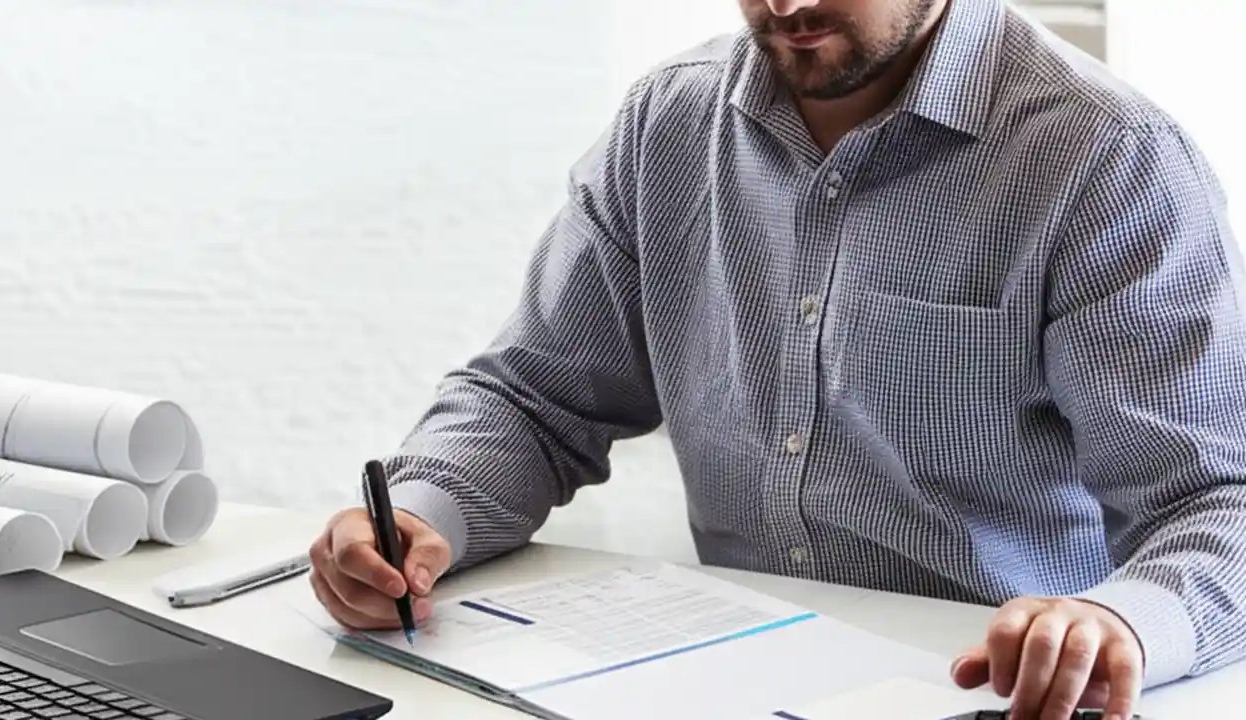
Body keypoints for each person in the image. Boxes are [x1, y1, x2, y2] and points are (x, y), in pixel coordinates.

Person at [309, 0, 1246, 717]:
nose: (785, 3)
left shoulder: (1107, 158)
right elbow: (537, 399)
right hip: (720, 677)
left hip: (983, 689)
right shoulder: (668, 123)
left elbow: (1219, 504)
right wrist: (422, 517)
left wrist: (1121, 622)